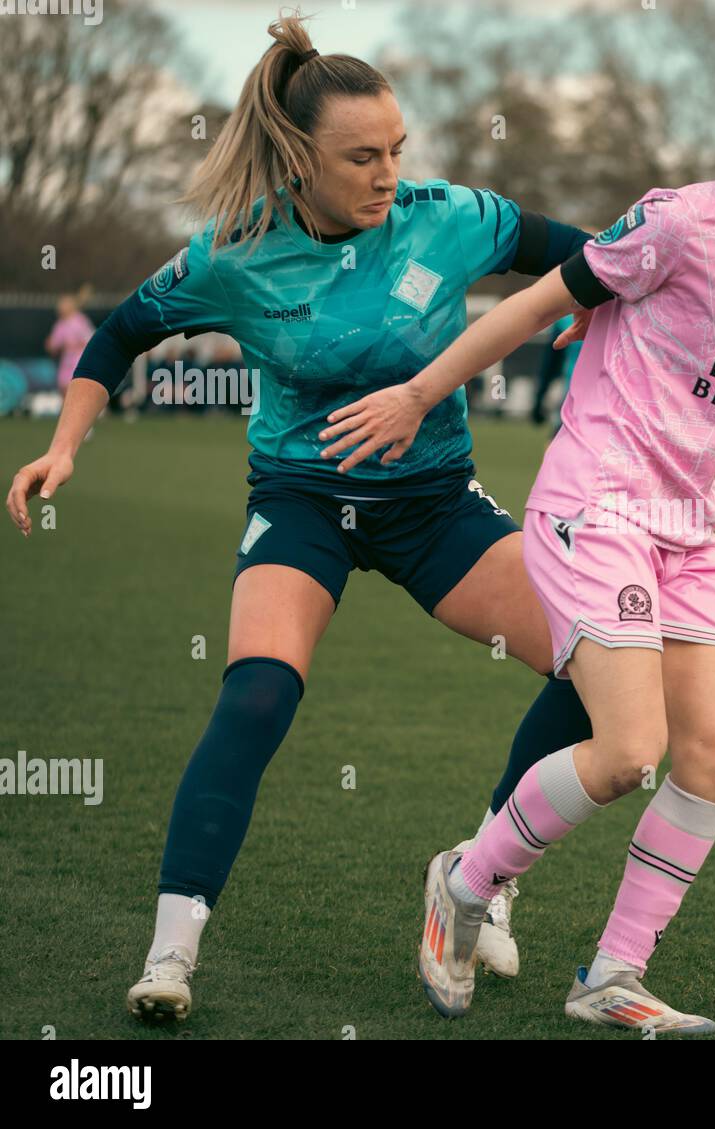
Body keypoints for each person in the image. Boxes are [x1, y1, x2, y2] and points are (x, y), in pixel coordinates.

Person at [319, 14, 715, 1034]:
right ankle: (462, 885)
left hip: (686, 527)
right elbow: (528, 307)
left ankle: (609, 975)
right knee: (626, 747)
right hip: (595, 501)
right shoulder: (680, 222)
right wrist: (419, 394)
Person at [6, 14, 597, 1020]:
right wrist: (65, 443)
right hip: (302, 501)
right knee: (257, 697)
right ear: (297, 160)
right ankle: (171, 954)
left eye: (396, 149)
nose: (387, 173)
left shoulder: (451, 217)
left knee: (601, 666)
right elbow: (118, 337)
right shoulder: (237, 254)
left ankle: (478, 873)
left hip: (432, 505)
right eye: (360, 156)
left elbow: (595, 264)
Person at [45, 289, 95, 399]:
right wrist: (52, 345)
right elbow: (54, 344)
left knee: (77, 386)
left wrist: (75, 345)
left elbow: (90, 339)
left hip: (79, 358)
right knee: (63, 386)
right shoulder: (60, 324)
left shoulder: (80, 320)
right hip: (67, 359)